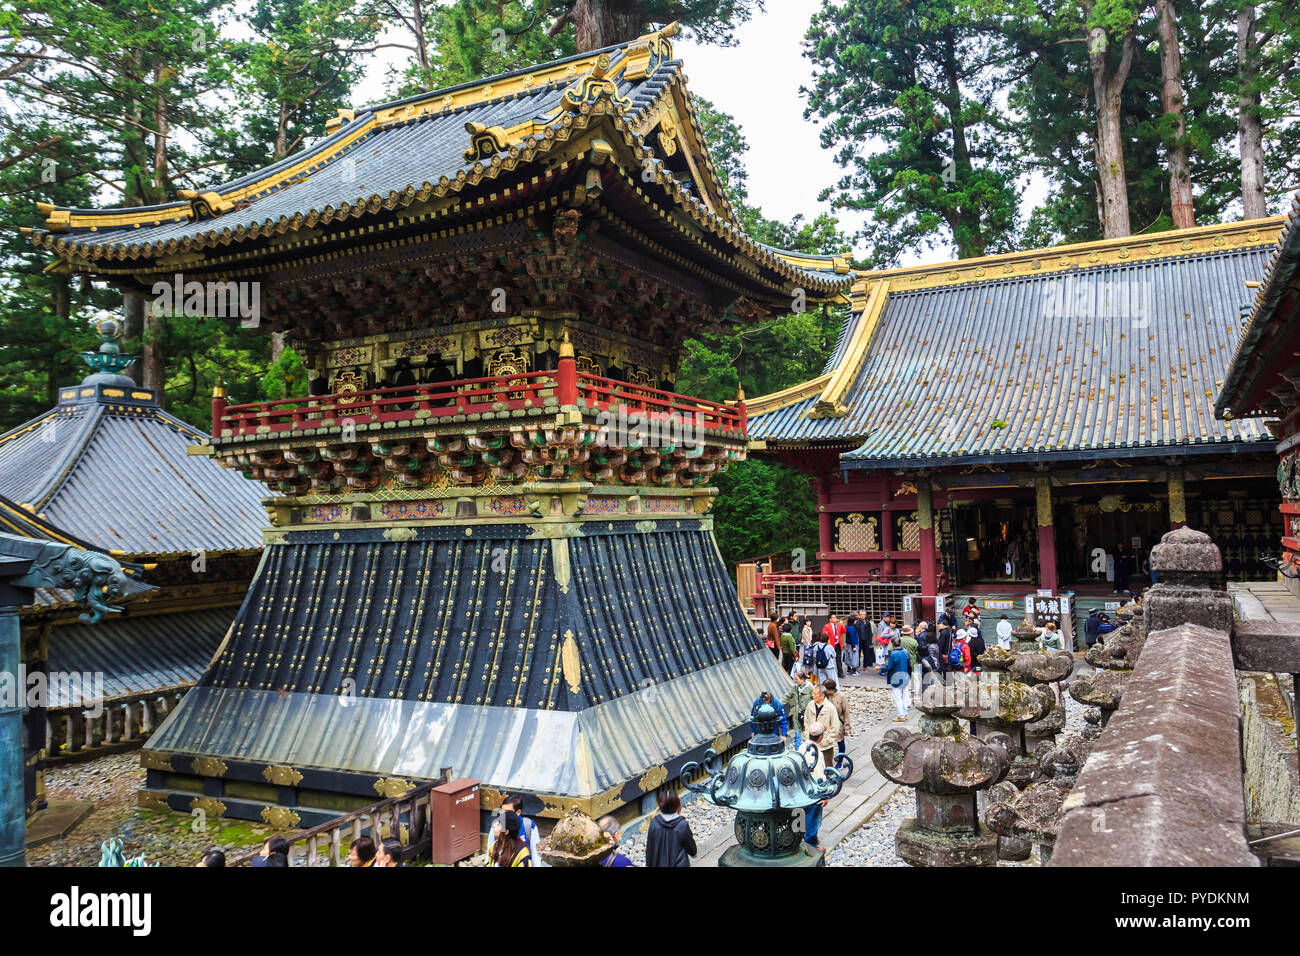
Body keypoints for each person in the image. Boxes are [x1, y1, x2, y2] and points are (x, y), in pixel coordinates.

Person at [486, 794, 542, 865]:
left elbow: (535, 856)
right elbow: (489, 856)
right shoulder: (497, 827)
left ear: (518, 812)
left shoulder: (529, 826)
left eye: (507, 811)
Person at [645, 789, 696, 867]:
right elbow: (692, 850)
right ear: (677, 805)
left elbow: (650, 851)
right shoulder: (682, 825)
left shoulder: (654, 823)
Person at [802, 723, 831, 848]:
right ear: (820, 737)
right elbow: (820, 775)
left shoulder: (802, 747)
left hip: (803, 788)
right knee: (813, 818)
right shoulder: (816, 752)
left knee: (803, 816)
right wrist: (824, 794)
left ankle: (805, 838)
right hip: (814, 790)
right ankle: (811, 844)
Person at [803, 683, 841, 765]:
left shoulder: (830, 707)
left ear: (822, 696)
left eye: (815, 694)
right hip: (811, 743)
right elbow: (806, 722)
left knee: (827, 769)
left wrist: (827, 741)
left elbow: (835, 726)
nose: (812, 695)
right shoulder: (810, 705)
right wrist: (807, 735)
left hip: (825, 746)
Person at [783, 669, 814, 750]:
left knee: (808, 734)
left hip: (807, 715)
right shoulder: (795, 687)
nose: (795, 680)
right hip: (797, 715)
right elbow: (787, 696)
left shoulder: (811, 688)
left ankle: (809, 751)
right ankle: (798, 751)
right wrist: (778, 704)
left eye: (797, 679)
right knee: (797, 735)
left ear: (802, 679)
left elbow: (815, 701)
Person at [883, 635, 912, 722]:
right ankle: (905, 713)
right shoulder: (905, 652)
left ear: (892, 644)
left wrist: (880, 668)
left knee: (897, 696)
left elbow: (889, 666)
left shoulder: (893, 653)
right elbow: (909, 664)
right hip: (905, 675)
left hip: (896, 676)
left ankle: (901, 715)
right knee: (905, 695)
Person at [822, 677, 852, 760]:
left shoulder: (841, 696)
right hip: (827, 722)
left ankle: (840, 760)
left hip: (839, 722)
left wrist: (847, 728)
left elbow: (846, 712)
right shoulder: (825, 695)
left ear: (831, 690)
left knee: (840, 741)